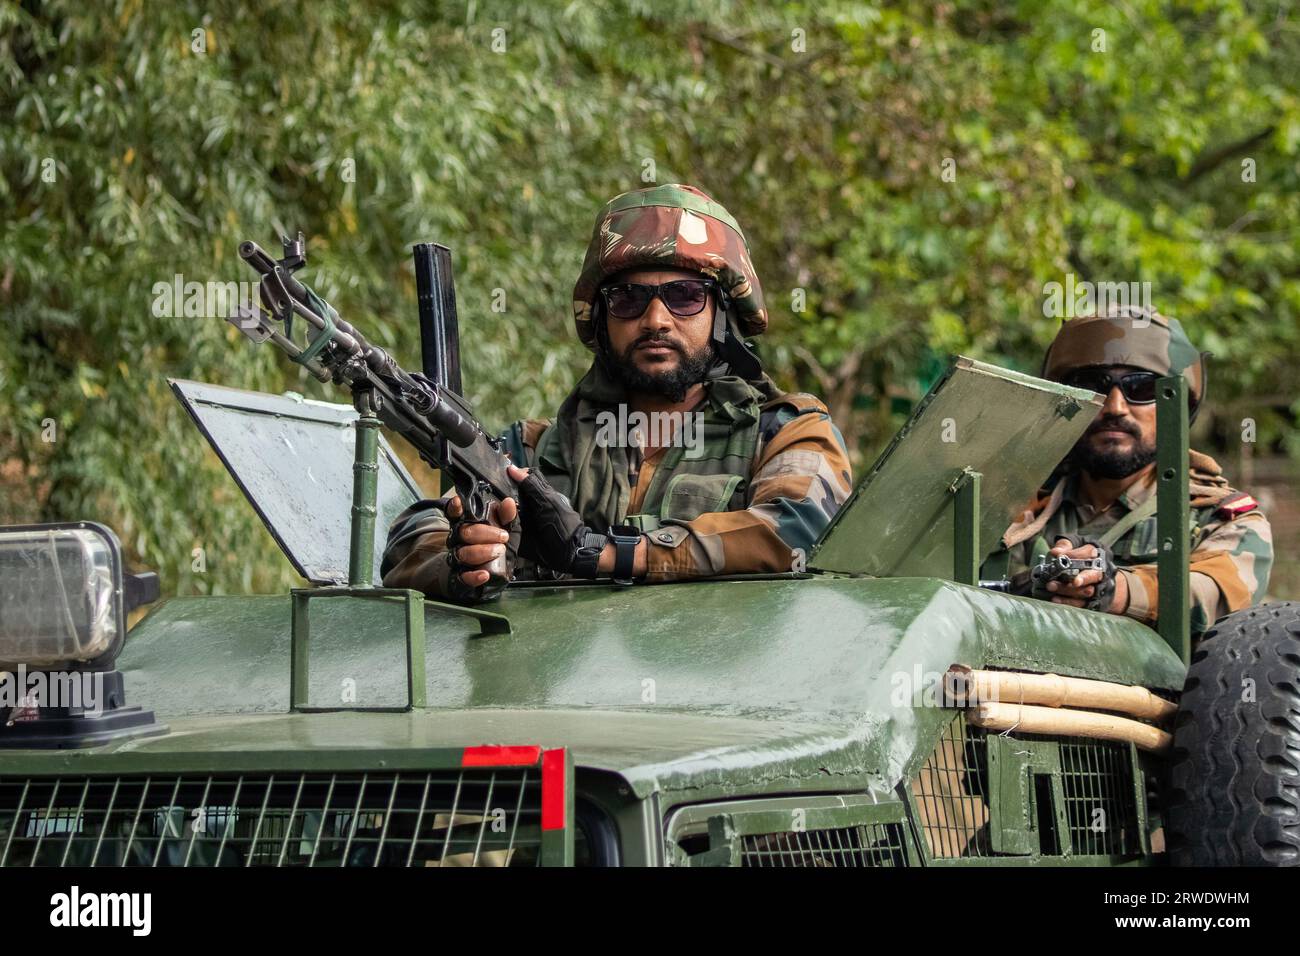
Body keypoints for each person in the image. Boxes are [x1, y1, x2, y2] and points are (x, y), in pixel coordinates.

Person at [382, 184, 853, 603]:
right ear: (602, 320)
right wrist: (464, 560)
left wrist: (604, 554)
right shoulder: (534, 450)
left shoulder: (784, 432)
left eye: (685, 296)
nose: (655, 320)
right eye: (627, 299)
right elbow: (414, 536)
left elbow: (794, 526)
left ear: (723, 314)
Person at [995, 305, 1272, 636]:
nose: (1115, 407)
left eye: (1142, 388)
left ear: (1180, 405)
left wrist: (1112, 589)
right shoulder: (1007, 508)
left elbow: (1216, 597)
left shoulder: (1221, 518)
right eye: (1092, 386)